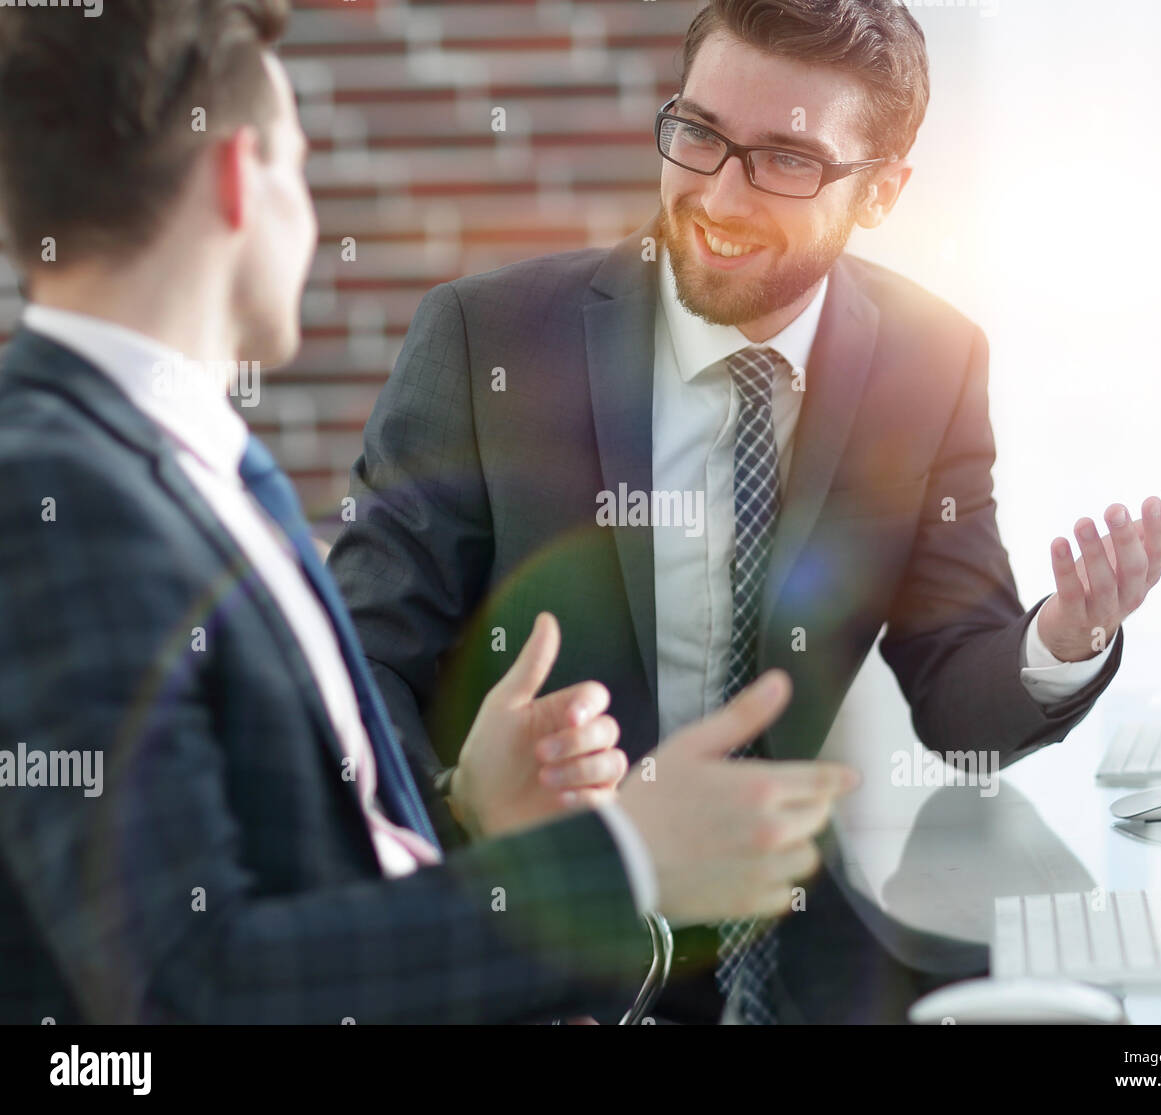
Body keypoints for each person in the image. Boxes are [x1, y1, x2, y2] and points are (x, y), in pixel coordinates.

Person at [329, 0, 1161, 1023]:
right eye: (697, 133)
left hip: (806, 942)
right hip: (545, 938)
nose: (716, 194)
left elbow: (957, 690)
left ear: (880, 192)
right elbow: (360, 669)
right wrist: (465, 807)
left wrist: (1062, 635)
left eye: (784, 159)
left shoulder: (929, 359)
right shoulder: (489, 340)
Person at [0, 0, 859, 1024]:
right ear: (240, 175)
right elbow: (184, 987)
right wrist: (623, 859)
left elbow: (297, 871)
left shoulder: (171, 464)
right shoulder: (57, 499)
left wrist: (472, 807)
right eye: (301, 161)